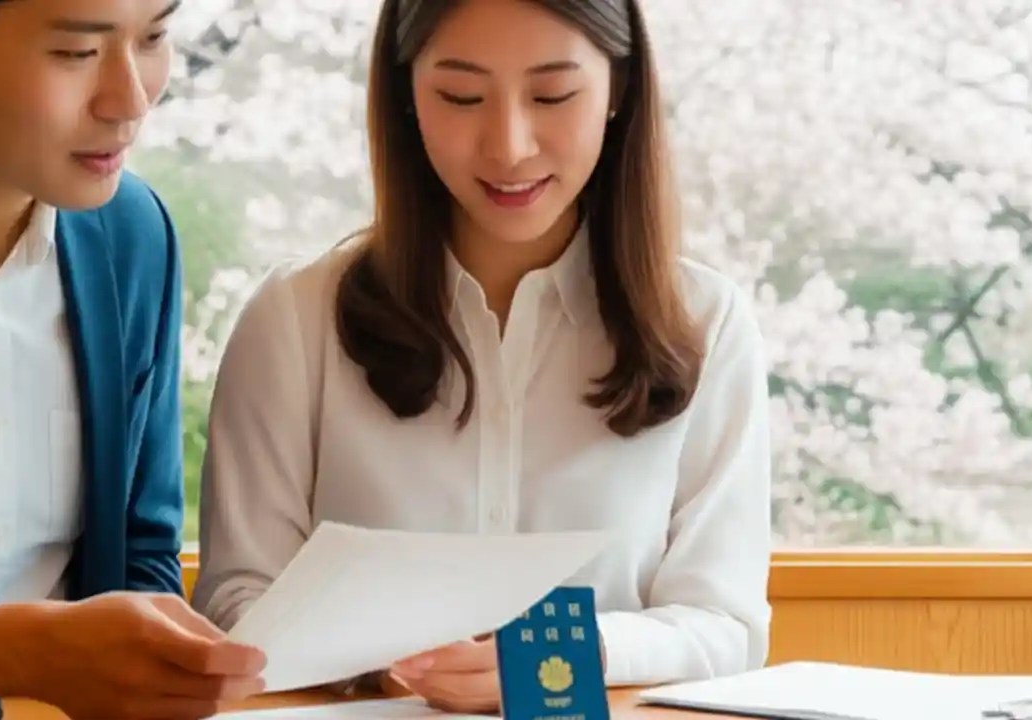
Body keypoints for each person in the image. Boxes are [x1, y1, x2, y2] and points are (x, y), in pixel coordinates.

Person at [193, 0, 772, 713]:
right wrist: (381, 661)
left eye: (553, 95)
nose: (509, 147)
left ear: (620, 89)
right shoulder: (296, 318)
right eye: (460, 96)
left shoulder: (704, 322)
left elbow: (724, 626)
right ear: (406, 94)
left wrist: (563, 652)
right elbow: (237, 600)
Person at [0, 0, 265, 717]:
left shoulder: (132, 234)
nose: (132, 99)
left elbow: (140, 554)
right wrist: (4, 650)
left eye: (154, 36)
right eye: (75, 53)